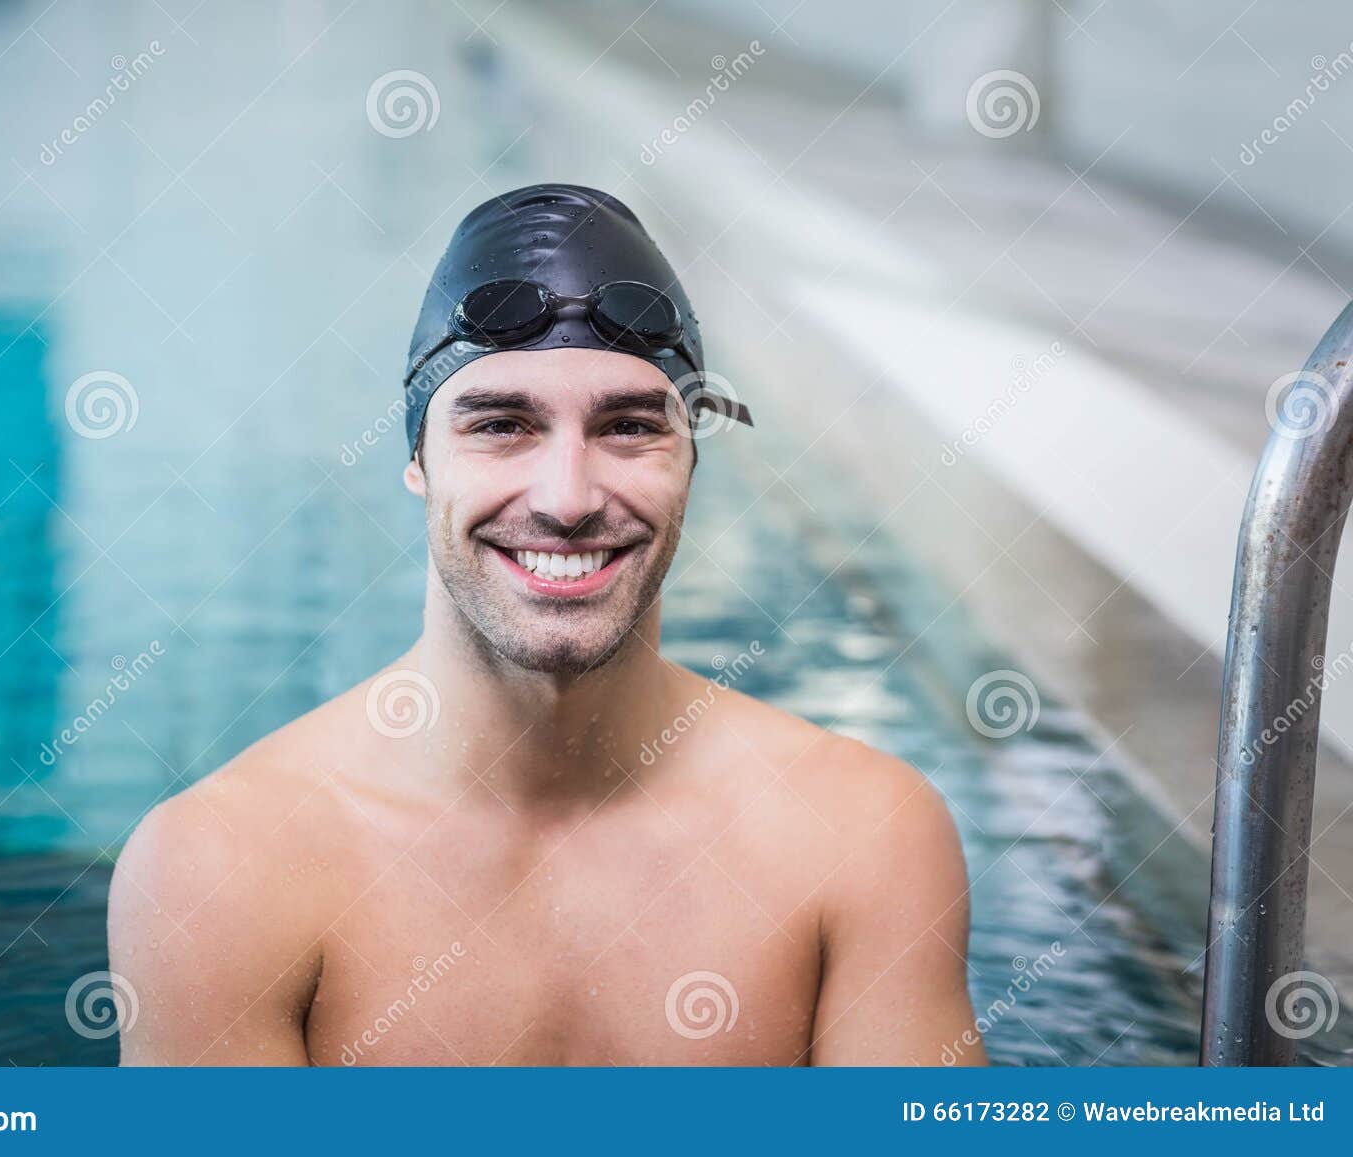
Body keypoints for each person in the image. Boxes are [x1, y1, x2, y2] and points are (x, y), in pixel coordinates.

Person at [108, 183, 985, 1066]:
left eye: (630, 426)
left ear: (691, 459)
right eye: (501, 424)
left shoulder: (862, 835)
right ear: (418, 459)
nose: (568, 499)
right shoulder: (220, 871)